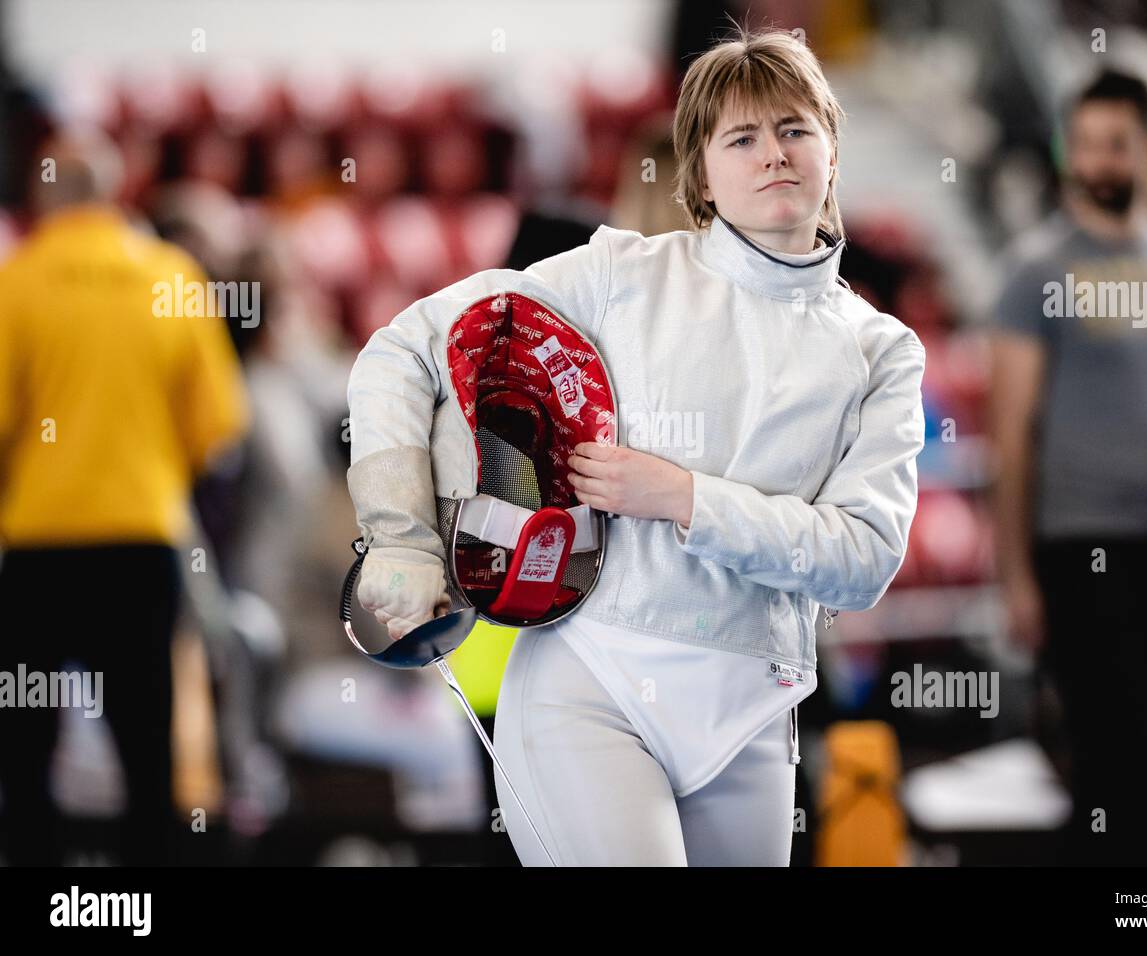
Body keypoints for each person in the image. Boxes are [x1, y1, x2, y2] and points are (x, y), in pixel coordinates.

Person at [345, 27, 926, 866]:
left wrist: (679, 495)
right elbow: (403, 348)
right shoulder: (619, 274)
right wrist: (398, 532)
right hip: (592, 684)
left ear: (832, 146)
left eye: (795, 129)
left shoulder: (881, 350)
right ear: (699, 171)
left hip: (754, 711)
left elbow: (863, 559)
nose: (774, 154)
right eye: (742, 137)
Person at [988, 70, 1147, 865]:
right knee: (1114, 762)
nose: (1099, 163)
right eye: (1088, 145)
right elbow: (1009, 436)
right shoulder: (1036, 271)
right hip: (1080, 549)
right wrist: (1017, 577)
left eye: (1117, 145)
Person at [0, 128, 250, 865]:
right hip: (143, 544)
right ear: (116, 192)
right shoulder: (169, 276)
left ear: (44, 196)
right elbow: (219, 428)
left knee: (26, 753)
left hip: (37, 550)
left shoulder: (17, 282)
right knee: (148, 753)